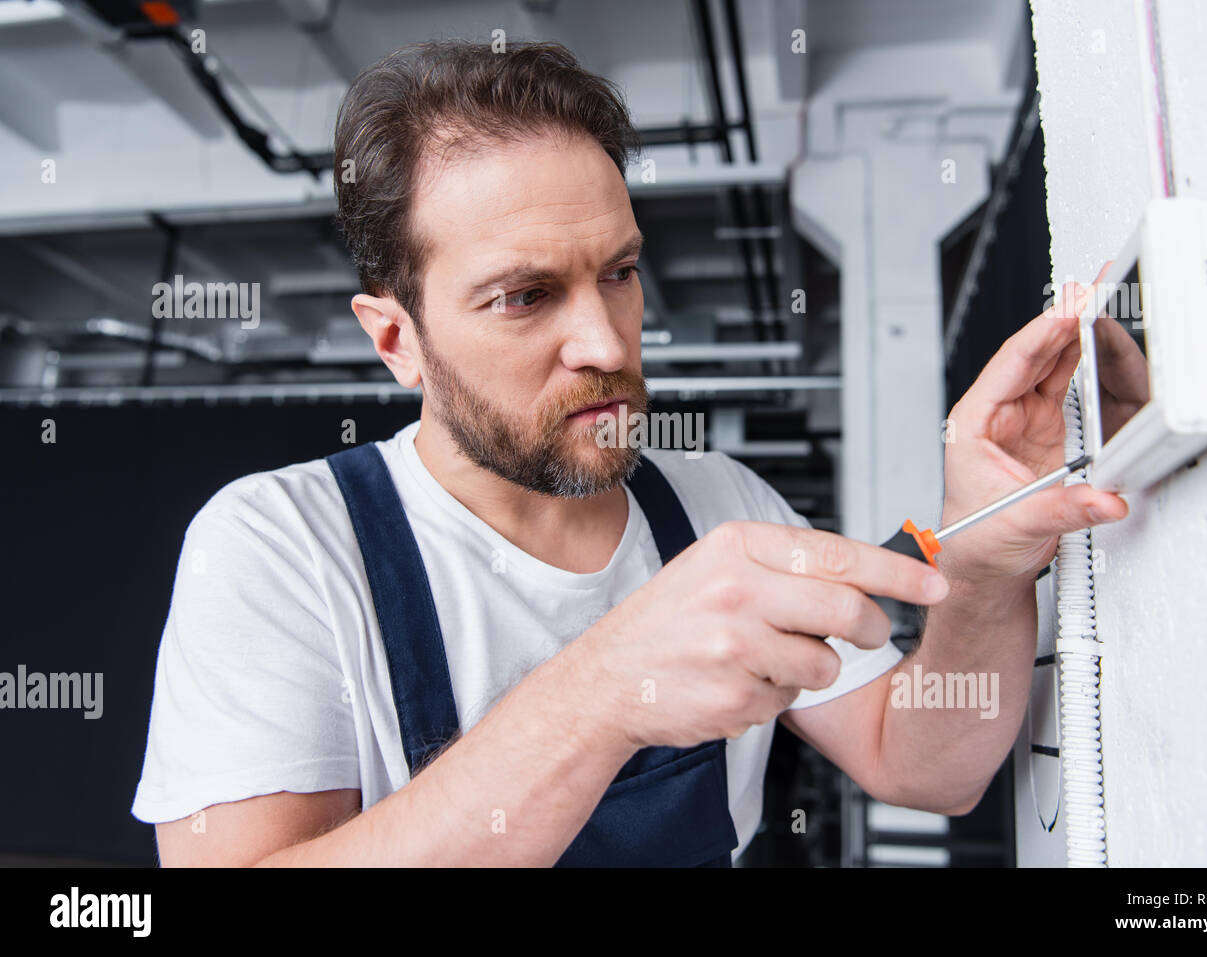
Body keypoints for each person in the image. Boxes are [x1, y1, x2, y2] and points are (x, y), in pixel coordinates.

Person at [131, 40, 1128, 867]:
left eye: (619, 272)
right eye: (524, 297)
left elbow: (922, 765)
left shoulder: (715, 504)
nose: (608, 344)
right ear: (396, 339)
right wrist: (602, 693)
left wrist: (989, 569)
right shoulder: (282, 548)